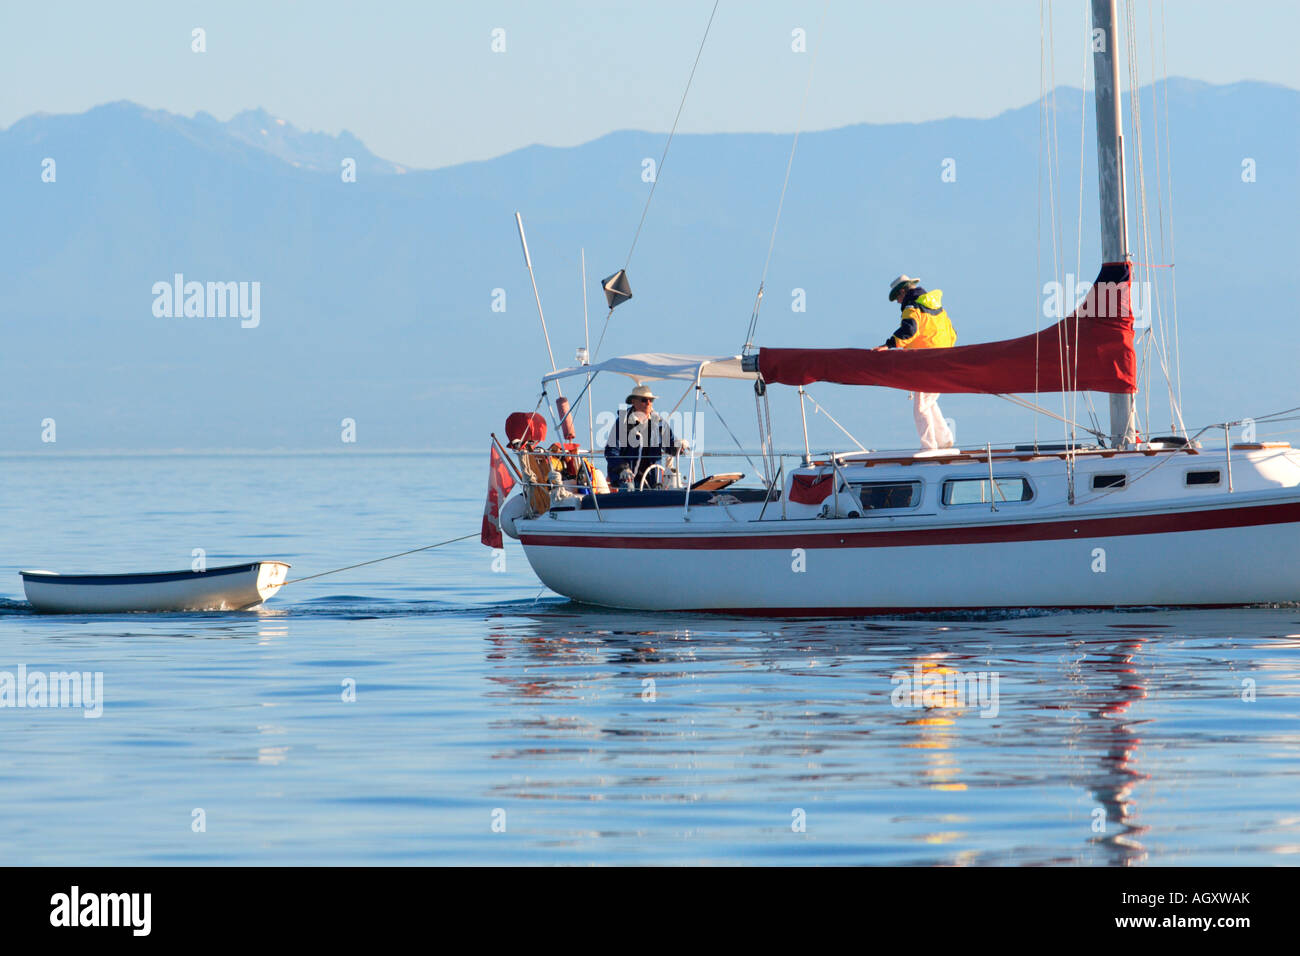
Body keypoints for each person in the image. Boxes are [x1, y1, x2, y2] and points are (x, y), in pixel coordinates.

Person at [875, 274, 957, 450]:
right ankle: (944, 440)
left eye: (897, 297)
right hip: (943, 358)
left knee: (920, 407)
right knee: (929, 402)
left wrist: (888, 345)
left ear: (903, 291)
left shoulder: (911, 307)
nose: (897, 301)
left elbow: (909, 330)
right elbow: (952, 333)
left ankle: (929, 447)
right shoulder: (937, 307)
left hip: (926, 363)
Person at [604, 384, 682, 489]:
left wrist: (680, 446)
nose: (648, 403)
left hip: (652, 481)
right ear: (633, 402)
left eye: (651, 400)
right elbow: (611, 451)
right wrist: (622, 468)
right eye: (644, 400)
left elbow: (670, 447)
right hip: (628, 479)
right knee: (629, 488)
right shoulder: (622, 422)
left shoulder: (659, 422)